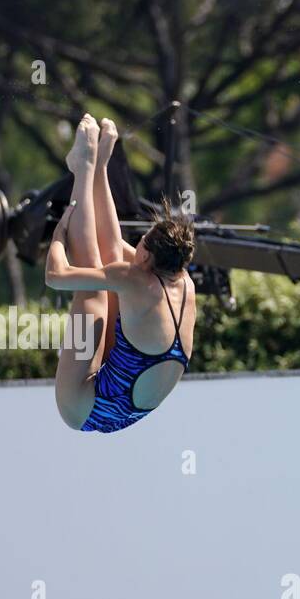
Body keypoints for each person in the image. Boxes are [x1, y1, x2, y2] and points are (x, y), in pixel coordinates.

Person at [45, 114, 196, 433]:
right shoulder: (183, 282)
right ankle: (96, 166)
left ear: (148, 256)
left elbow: (56, 274)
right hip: (125, 403)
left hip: (84, 408)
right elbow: (113, 244)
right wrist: (102, 169)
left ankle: (82, 169)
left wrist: (60, 233)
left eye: (140, 243)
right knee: (110, 267)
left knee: (92, 294)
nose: (136, 244)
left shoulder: (136, 280)